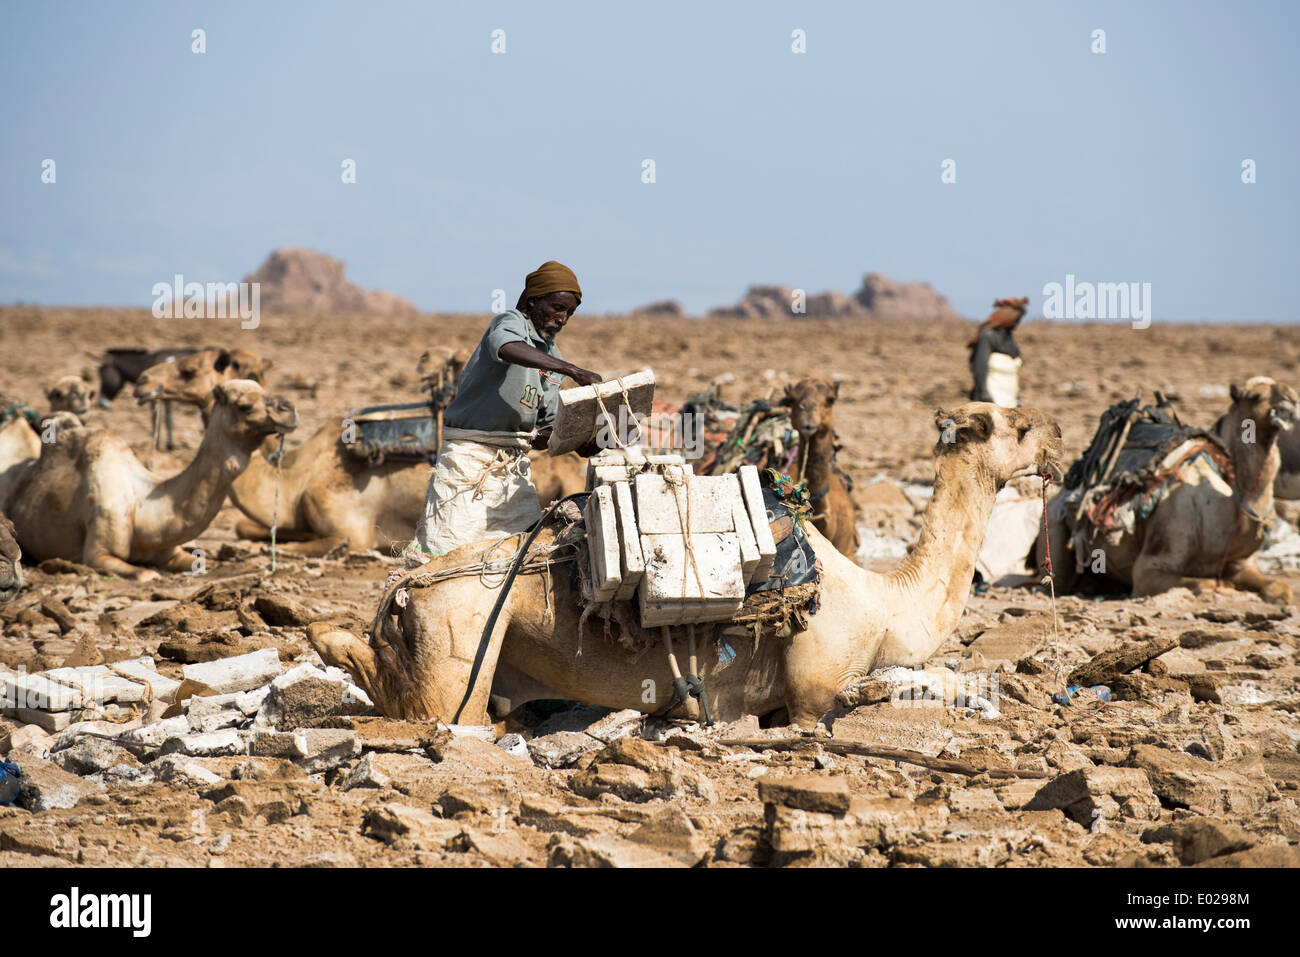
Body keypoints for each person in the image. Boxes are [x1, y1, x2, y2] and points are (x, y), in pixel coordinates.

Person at [409, 261, 602, 561]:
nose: (562, 319)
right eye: (557, 307)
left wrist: (585, 439)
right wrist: (572, 370)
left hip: (512, 472)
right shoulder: (510, 322)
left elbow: (541, 433)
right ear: (533, 300)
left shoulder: (553, 357)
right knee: (441, 560)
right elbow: (505, 346)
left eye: (569, 313)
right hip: (468, 462)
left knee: (515, 563)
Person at [968, 296, 1028, 407]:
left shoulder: (1009, 339)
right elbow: (980, 367)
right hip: (991, 399)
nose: (1017, 324)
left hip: (1009, 399)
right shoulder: (988, 337)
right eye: (1016, 320)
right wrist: (984, 395)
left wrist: (1017, 398)